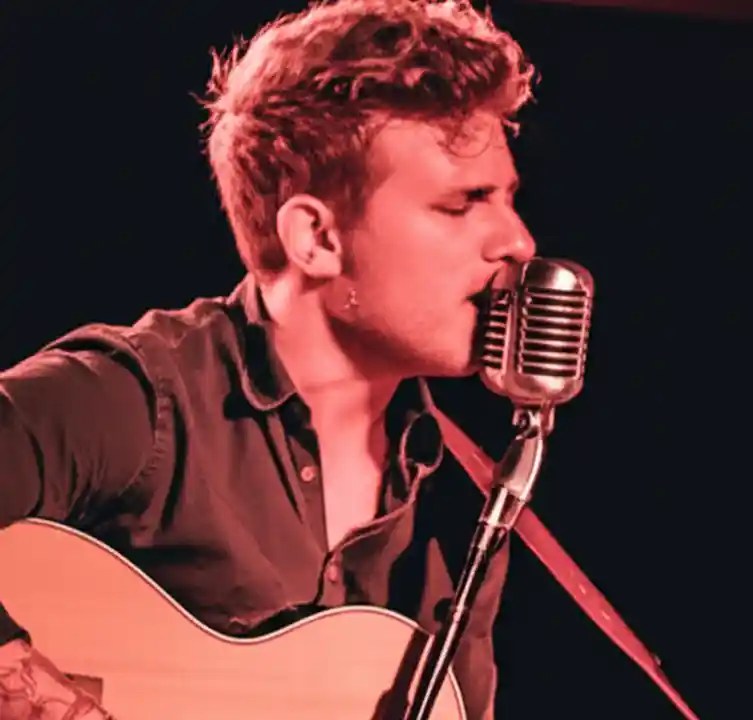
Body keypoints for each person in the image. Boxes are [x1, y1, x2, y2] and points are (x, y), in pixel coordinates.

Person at [0, 0, 538, 717]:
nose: (518, 242)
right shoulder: (140, 402)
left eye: (507, 198)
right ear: (316, 238)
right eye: (462, 204)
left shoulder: (465, 502)